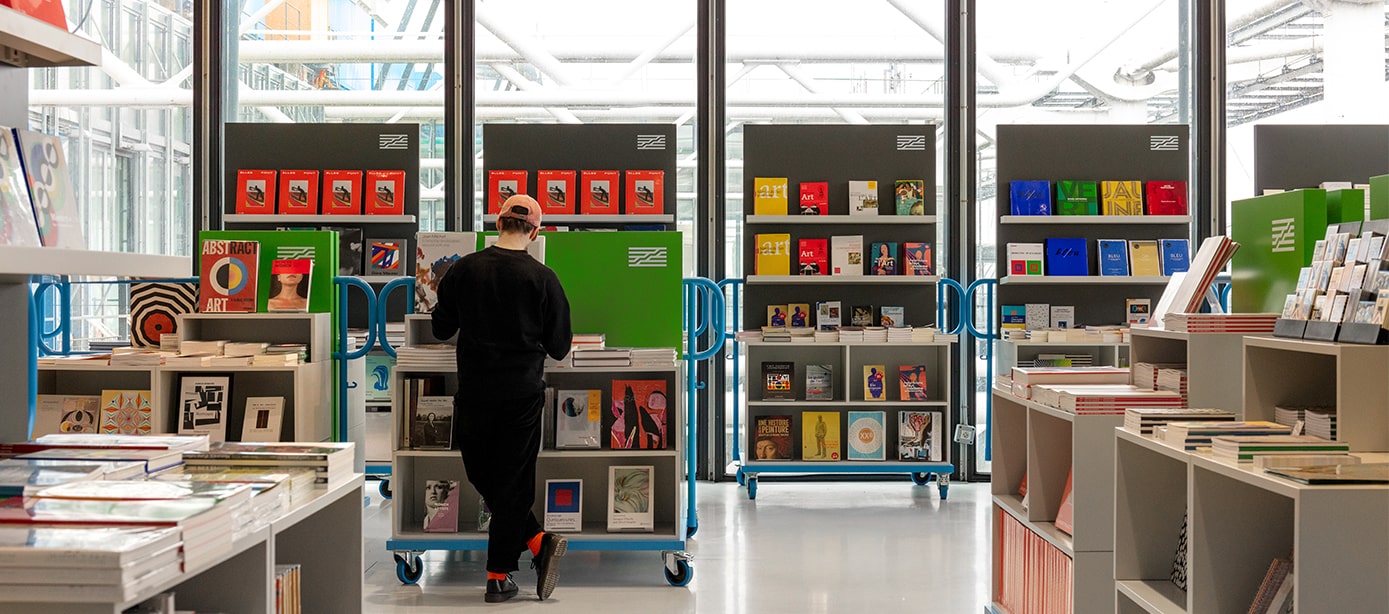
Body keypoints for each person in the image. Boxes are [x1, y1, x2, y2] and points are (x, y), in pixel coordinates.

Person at [432, 194, 573, 603]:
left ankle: (499, 575)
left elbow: (442, 329)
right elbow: (560, 346)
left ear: (497, 223)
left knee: (483, 475)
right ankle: (536, 542)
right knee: (511, 480)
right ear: (535, 231)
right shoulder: (544, 278)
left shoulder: (463, 270)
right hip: (522, 394)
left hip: (474, 391)